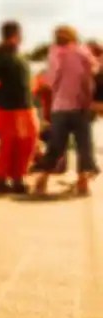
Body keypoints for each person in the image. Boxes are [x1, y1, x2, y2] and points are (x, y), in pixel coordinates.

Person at [29, 25, 99, 195]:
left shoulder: (55, 52)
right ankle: (82, 183)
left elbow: (51, 79)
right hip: (81, 106)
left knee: (56, 146)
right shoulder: (83, 51)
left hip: (61, 107)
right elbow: (95, 70)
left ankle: (42, 182)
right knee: (84, 147)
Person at [0, 21, 38, 194]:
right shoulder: (1, 58)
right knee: (16, 144)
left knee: (19, 144)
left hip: (19, 105)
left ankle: (11, 178)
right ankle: (11, 179)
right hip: (11, 107)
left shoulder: (11, 56)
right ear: (15, 36)